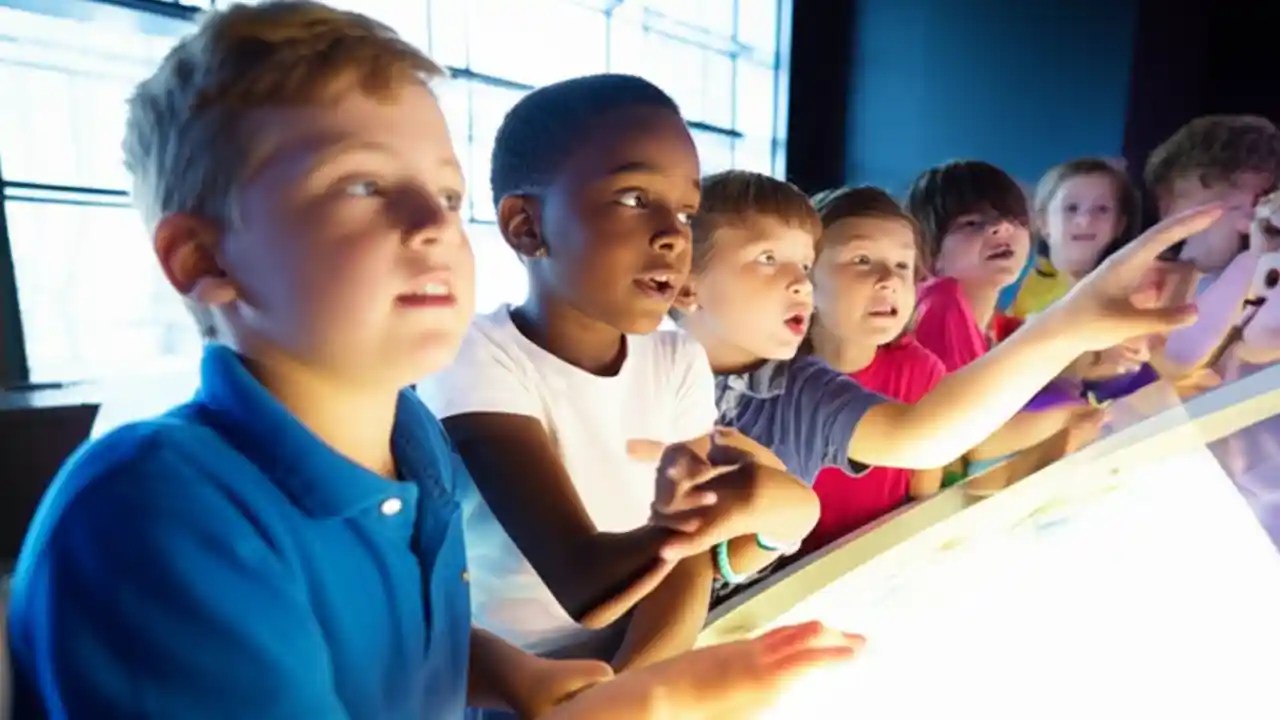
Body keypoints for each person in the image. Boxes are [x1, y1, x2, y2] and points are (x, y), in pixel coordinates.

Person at [5, 4, 859, 718]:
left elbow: (397, 640)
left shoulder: (409, 437)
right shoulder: (158, 517)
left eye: (446, 195)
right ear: (205, 259)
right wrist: (653, 702)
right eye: (362, 186)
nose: (434, 226)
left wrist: (502, 673)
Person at [417, 74, 818, 672]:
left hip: (630, 664)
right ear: (527, 226)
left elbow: (686, 566)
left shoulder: (675, 359)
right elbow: (584, 582)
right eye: (633, 198)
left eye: (686, 212)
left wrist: (635, 684)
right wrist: (756, 505)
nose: (673, 235)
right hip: (509, 686)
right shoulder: (476, 353)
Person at [672, 169, 1215, 504]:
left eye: (803, 264)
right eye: (769, 259)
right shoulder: (647, 368)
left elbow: (923, 437)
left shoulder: (805, 391)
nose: (798, 281)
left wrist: (1069, 327)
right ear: (685, 282)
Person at [906, 161, 1105, 483]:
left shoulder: (997, 325)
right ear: (929, 252)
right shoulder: (940, 303)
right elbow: (973, 440)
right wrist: (1071, 416)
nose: (1001, 228)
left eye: (1013, 219)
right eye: (972, 223)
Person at [799, 185, 946, 553]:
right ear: (804, 276)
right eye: (862, 259)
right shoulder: (765, 379)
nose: (889, 279)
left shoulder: (922, 373)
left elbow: (923, 501)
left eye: (902, 265)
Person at [1147, 116, 1280, 378]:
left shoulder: (1269, 274)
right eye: (1223, 189)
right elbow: (1176, 359)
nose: (1248, 207)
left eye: (1259, 196)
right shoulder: (1145, 282)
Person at [1010, 157, 1140, 319]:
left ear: (1119, 224)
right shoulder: (1032, 281)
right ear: (1043, 222)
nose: (1085, 220)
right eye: (1071, 208)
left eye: (1102, 209)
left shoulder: (1136, 291)